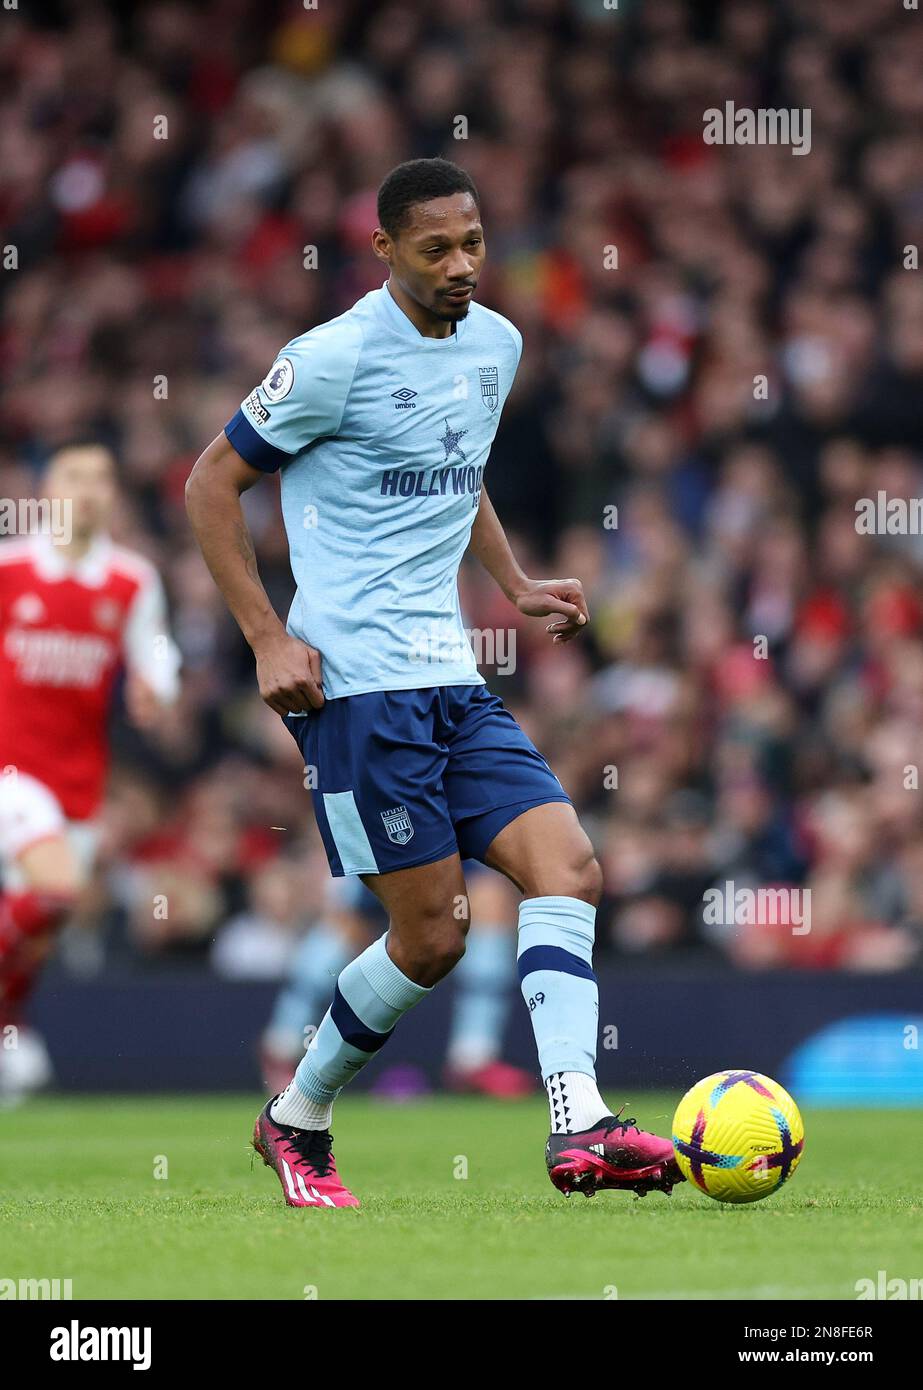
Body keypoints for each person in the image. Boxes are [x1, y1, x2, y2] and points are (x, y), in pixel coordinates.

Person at [186, 157, 682, 1208]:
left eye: (472, 244)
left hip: (451, 675)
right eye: (435, 249)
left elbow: (458, 470)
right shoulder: (329, 359)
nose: (462, 266)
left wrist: (510, 582)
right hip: (357, 692)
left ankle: (577, 1117)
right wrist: (267, 638)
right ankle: (296, 1117)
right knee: (433, 936)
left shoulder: (496, 343)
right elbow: (208, 484)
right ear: (383, 251)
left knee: (569, 868)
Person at [0, 442, 181, 1099]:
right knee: (54, 891)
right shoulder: (10, 568)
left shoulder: (131, 578)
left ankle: (11, 1026)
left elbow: (156, 647)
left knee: (39, 930)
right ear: (47, 491)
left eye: (102, 479)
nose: (88, 490)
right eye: (74, 477)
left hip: (77, 781)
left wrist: (156, 689)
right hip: (9, 773)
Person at [260, 861, 536, 1099]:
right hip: (396, 814)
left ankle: (474, 1058)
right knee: (350, 919)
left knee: (490, 898)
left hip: (450, 824)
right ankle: (281, 1046)